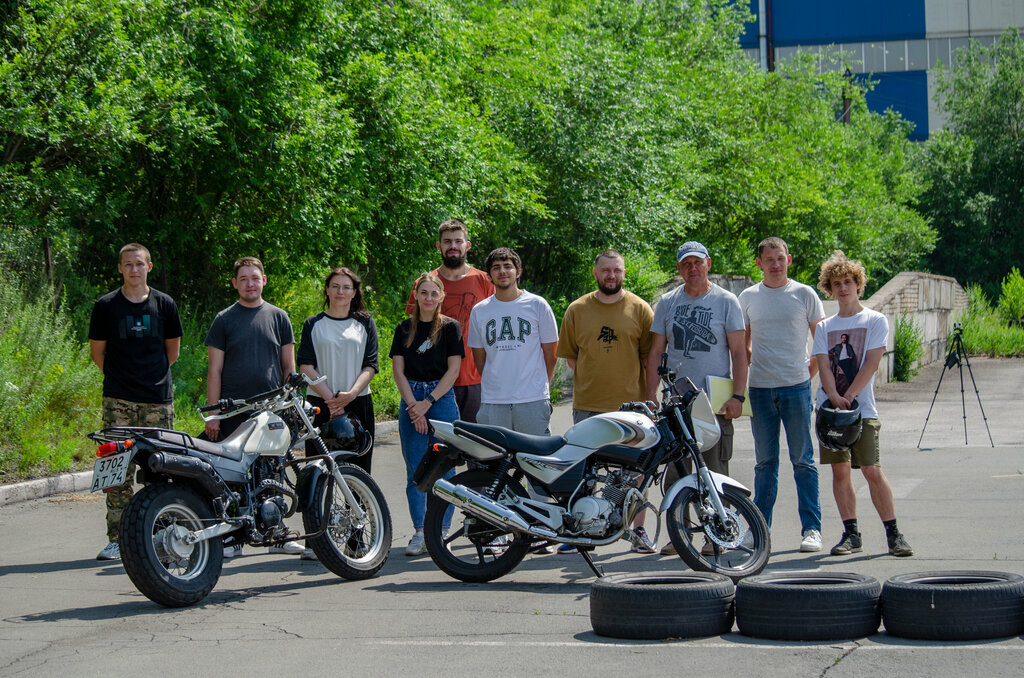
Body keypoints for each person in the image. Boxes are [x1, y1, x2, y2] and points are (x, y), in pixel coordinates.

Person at [646, 241, 747, 556]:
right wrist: (651, 396)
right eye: (686, 263)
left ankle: (717, 533)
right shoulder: (667, 302)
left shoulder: (726, 301)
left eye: (697, 262)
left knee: (715, 470)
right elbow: (655, 353)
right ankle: (681, 535)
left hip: (713, 401)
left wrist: (738, 396)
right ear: (679, 269)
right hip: (677, 403)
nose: (692, 268)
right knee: (676, 472)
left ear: (708, 264)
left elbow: (740, 353)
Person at [814, 251, 913, 558]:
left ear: (858, 285)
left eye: (848, 282)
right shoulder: (824, 327)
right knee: (840, 471)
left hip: (862, 410)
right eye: (836, 283)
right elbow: (823, 365)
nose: (843, 288)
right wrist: (833, 396)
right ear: (830, 289)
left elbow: (871, 363)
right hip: (830, 410)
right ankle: (851, 533)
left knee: (870, 468)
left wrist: (850, 396)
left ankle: (894, 534)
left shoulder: (874, 320)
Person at [89, 243, 183, 561]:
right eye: (127, 264)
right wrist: (123, 382)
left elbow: (173, 352)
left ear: (149, 267)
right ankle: (118, 538)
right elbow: (97, 354)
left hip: (158, 401)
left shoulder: (165, 304)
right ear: (120, 268)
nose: (133, 270)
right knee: (116, 472)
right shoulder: (105, 307)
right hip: (118, 401)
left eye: (139, 264)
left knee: (163, 467)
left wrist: (149, 381)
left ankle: (162, 534)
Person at [558, 249, 654, 553]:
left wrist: (649, 399)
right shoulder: (577, 309)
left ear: (624, 273)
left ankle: (638, 532)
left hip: (631, 408)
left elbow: (649, 358)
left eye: (617, 270)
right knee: (583, 470)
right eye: (606, 270)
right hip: (588, 403)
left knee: (635, 475)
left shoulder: (640, 309)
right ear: (595, 273)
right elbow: (573, 358)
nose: (611, 276)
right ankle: (580, 532)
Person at [204, 256, 300, 558]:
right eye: (243, 278)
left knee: (273, 474)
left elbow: (288, 366)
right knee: (233, 476)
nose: (249, 283)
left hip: (271, 410)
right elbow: (214, 370)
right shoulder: (224, 319)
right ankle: (233, 538)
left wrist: (291, 403)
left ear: (264, 280)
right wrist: (214, 413)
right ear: (235, 283)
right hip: (234, 411)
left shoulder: (279, 317)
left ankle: (277, 534)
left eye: (254, 278)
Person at [738, 236, 825, 553]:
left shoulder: (804, 294)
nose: (775, 264)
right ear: (759, 263)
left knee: (803, 460)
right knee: (765, 464)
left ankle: (812, 529)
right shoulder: (747, 297)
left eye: (781, 258)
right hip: (760, 389)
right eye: (769, 259)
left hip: (796, 388)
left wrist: (806, 373)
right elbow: (742, 346)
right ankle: (759, 530)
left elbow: (822, 341)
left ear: (789, 260)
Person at [296, 267, 379, 561]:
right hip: (320, 405)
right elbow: (305, 364)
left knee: (357, 472)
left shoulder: (365, 323)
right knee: (317, 472)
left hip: (358, 404)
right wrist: (330, 396)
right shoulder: (313, 323)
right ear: (327, 290)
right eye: (335, 286)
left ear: (355, 292)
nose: (341, 291)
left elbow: (370, 365)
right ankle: (316, 540)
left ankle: (356, 539)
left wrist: (350, 395)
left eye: (347, 287)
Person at [391, 272, 463, 556]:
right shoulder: (403, 329)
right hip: (411, 397)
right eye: (424, 293)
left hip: (441, 399)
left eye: (434, 293)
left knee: (446, 467)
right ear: (416, 295)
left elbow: (453, 370)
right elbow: (398, 371)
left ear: (441, 296)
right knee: (416, 470)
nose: (429, 298)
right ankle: (421, 532)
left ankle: (442, 532)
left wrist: (428, 402)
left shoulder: (450, 328)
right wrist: (414, 407)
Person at [406, 219, 493, 422]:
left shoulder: (485, 281)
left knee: (474, 444)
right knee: (438, 447)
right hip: (433, 382)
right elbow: (416, 331)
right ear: (439, 246)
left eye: (458, 241)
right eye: (447, 241)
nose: (453, 246)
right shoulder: (425, 284)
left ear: (467, 245)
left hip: (475, 379)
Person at [468, 247, 559, 435]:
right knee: (494, 460)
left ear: (518, 272)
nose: (502, 271)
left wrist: (539, 386)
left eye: (507, 266)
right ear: (489, 276)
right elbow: (480, 359)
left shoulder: (538, 305)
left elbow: (551, 355)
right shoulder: (480, 310)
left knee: (533, 459)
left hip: (532, 399)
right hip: (493, 400)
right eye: (496, 267)